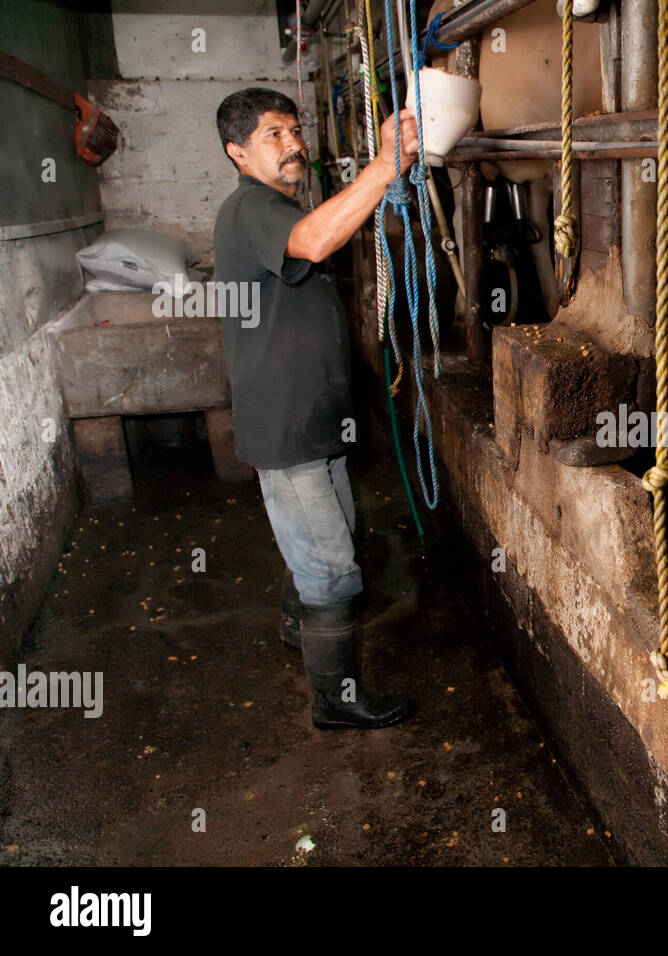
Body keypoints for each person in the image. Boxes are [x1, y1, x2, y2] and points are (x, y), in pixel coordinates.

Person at [212, 87, 417, 730]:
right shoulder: (256, 208)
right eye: (273, 134)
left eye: (294, 129)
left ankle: (298, 625)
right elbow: (315, 241)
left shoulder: (272, 205)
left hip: (312, 421)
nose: (294, 142)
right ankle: (336, 701)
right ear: (237, 152)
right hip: (289, 428)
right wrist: (384, 167)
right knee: (332, 569)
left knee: (329, 539)